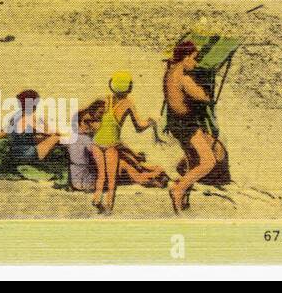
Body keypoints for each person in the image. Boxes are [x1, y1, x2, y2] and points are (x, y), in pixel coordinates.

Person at [164, 41, 222, 213]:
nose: (195, 63)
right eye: (194, 58)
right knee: (208, 162)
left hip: (175, 122)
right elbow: (204, 97)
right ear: (186, 57)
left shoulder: (169, 72)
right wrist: (208, 79)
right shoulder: (183, 78)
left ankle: (183, 198)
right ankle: (179, 189)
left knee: (193, 160)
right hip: (186, 123)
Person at [91, 72, 156, 214]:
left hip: (96, 143)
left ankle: (97, 199)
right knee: (112, 179)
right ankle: (108, 208)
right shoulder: (128, 103)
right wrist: (150, 123)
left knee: (101, 175)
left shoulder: (106, 99)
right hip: (111, 145)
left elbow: (94, 117)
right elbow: (139, 126)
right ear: (128, 88)